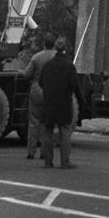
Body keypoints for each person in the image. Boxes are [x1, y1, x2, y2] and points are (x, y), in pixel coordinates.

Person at [40, 36, 84, 170]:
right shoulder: (69, 65)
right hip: (64, 101)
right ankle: (65, 162)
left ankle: (48, 161)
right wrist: (82, 102)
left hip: (49, 101)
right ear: (66, 49)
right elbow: (75, 86)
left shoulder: (48, 65)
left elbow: (41, 82)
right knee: (64, 130)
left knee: (47, 130)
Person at [20, 32, 57, 160]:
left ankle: (31, 151)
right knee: (47, 123)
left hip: (36, 89)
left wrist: (20, 71)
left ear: (43, 44)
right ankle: (44, 152)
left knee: (34, 121)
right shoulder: (57, 57)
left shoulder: (36, 57)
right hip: (52, 90)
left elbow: (26, 74)